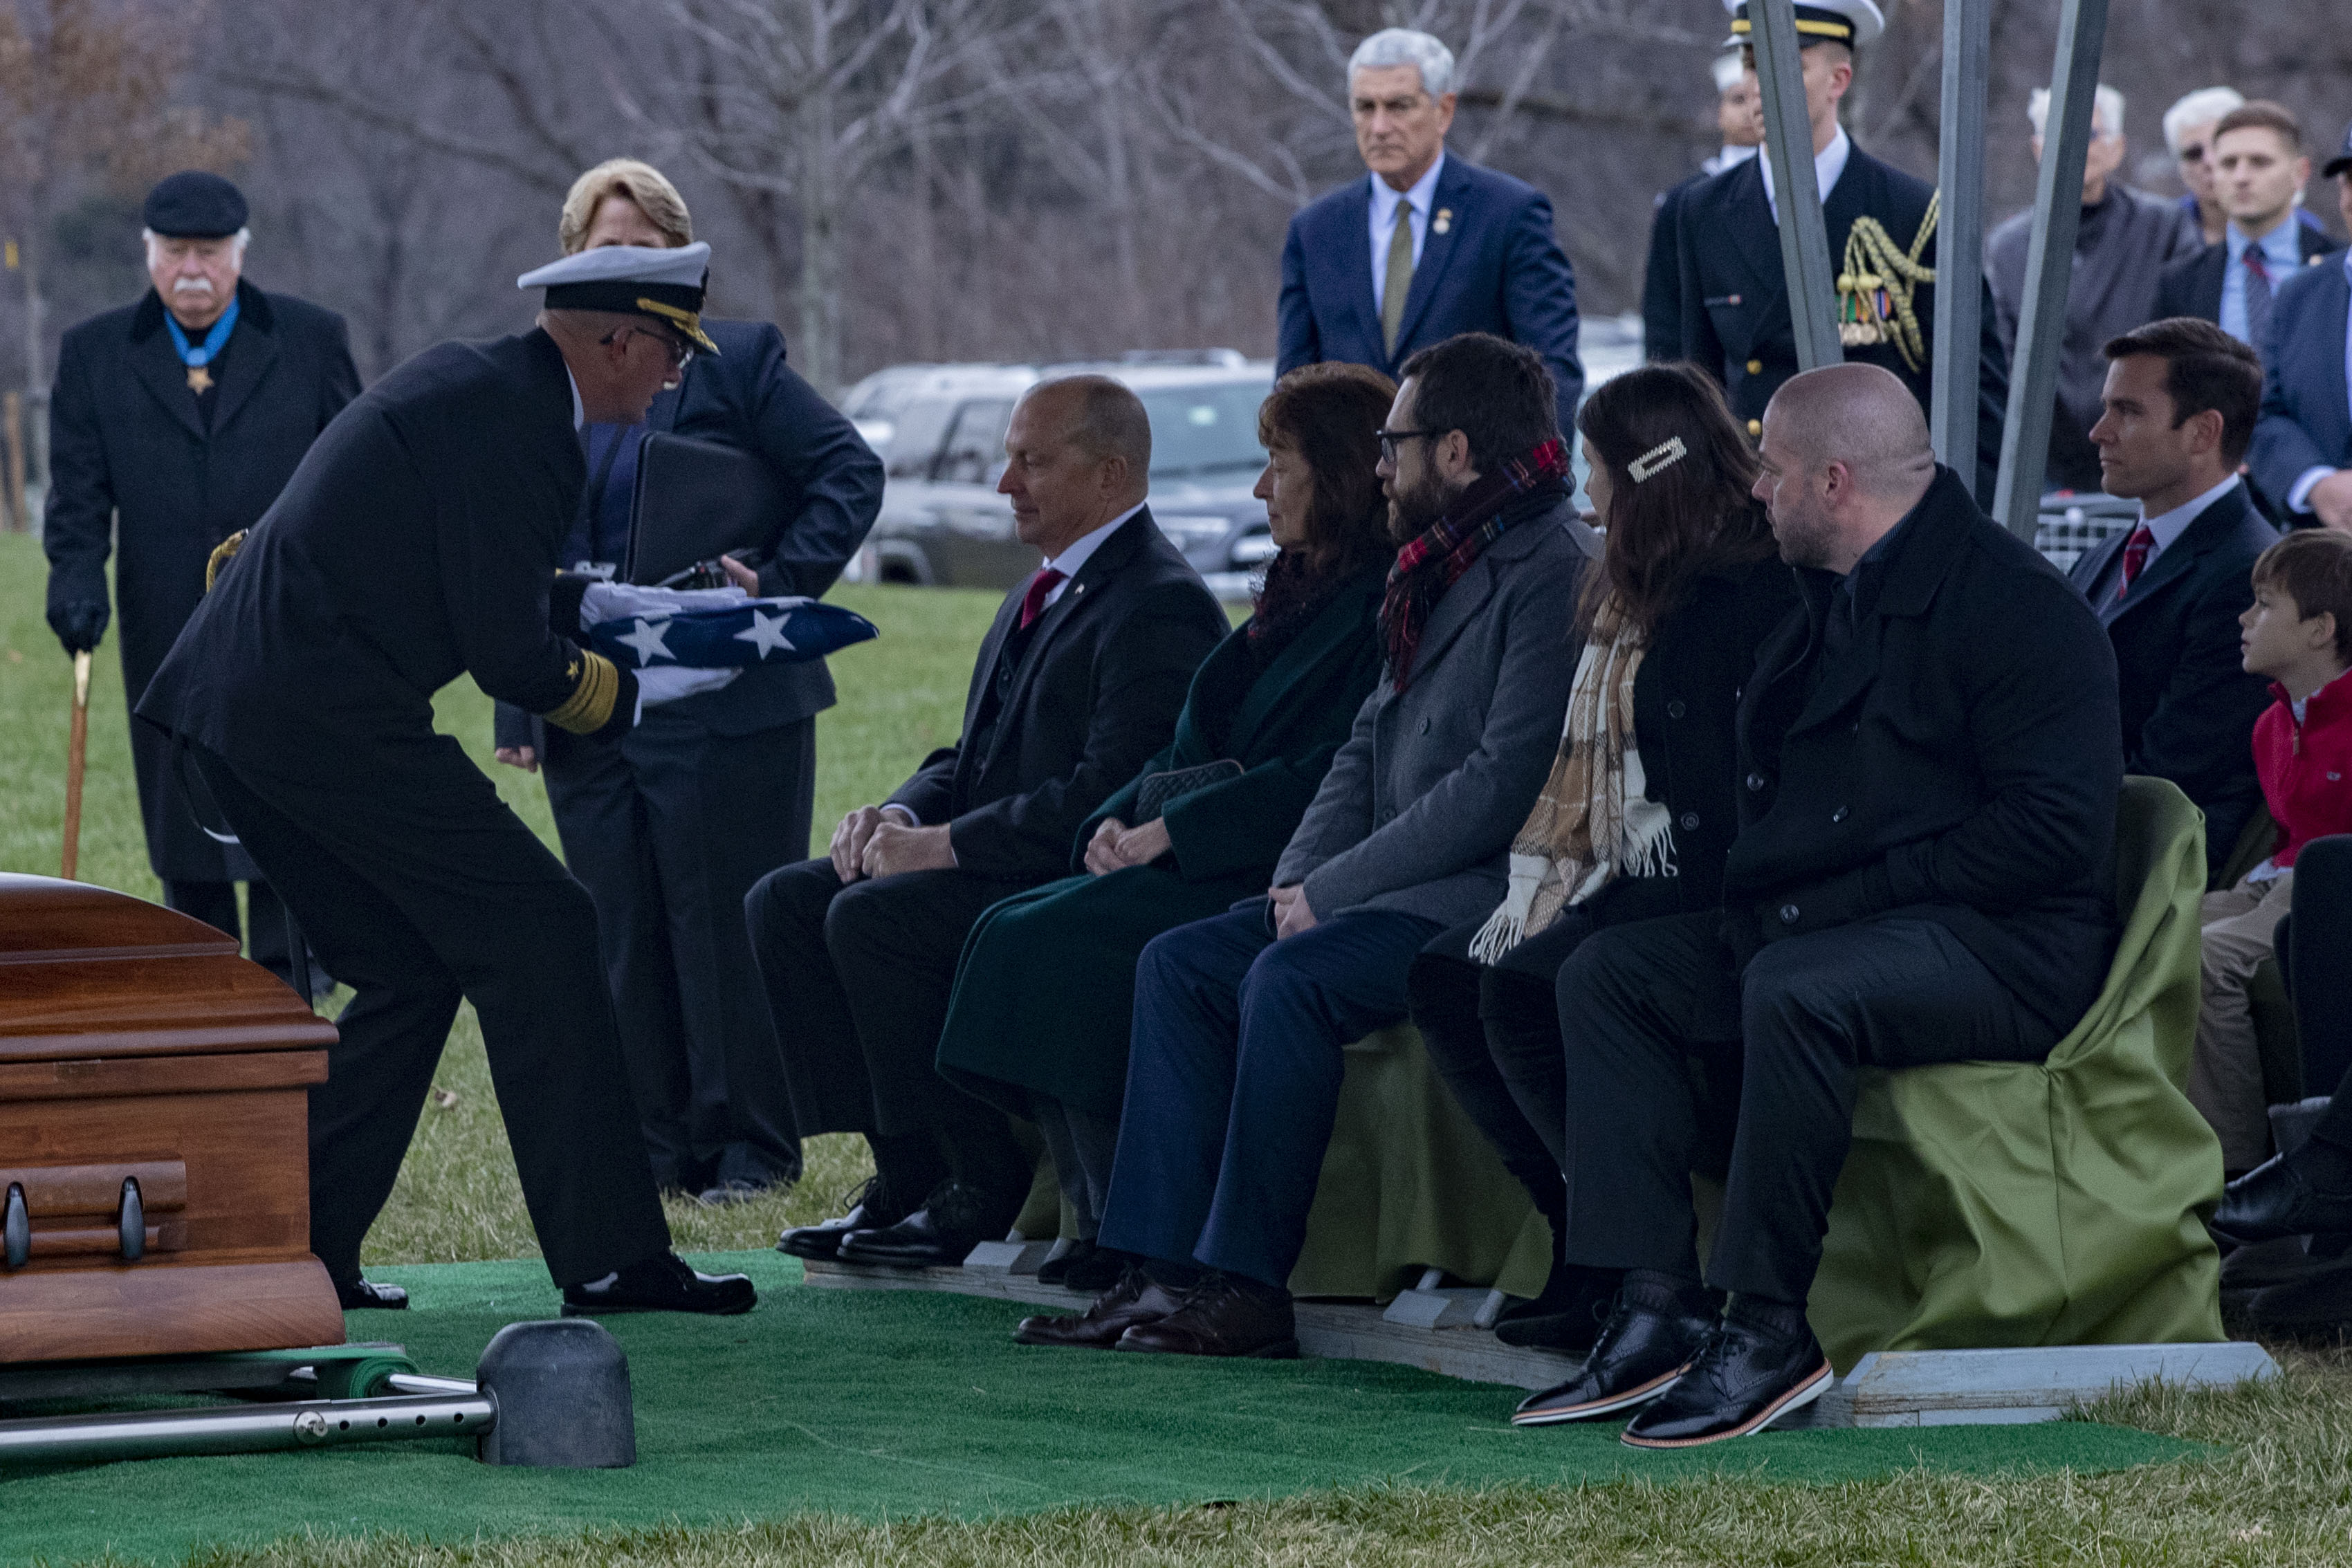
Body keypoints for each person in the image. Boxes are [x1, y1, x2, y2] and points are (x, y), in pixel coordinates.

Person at [132, 243, 757, 1316]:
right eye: (668, 354)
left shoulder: (486, 388)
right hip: (318, 721)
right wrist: (651, 691)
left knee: (411, 968)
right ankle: (614, 1258)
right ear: (619, 339)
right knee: (547, 926)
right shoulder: (519, 425)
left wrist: (655, 604)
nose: (671, 379)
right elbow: (509, 651)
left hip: (251, 713)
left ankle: (294, 1248)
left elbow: (472, 569)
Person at [1517, 363, 2120, 1447]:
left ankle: (1770, 1326)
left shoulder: (2017, 608)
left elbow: (2050, 835)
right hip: (1861, 924)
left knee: (1795, 987)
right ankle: (1656, 1301)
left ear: (1835, 482)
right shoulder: (1820, 599)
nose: (1756, 492)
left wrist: (1839, 899)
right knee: (1610, 974)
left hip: (2011, 949)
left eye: (1776, 473)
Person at [1015, 332, 1597, 1359]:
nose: (1383, 465)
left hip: (1485, 890)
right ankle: (1156, 1269)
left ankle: (1243, 1283)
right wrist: (1296, 876)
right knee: (1183, 961)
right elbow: (1368, 741)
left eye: (1398, 443)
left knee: (1290, 977)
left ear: (1455, 450)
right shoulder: (1440, 560)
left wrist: (1332, 887)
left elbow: (1499, 785)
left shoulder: (1546, 564)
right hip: (1379, 880)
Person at [930, 363, 1395, 1295]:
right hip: (1195, 844)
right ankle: (1093, 1212)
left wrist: (1174, 829)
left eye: (1279, 465)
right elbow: (1191, 731)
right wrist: (1118, 820)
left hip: (1271, 860)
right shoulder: (1295, 589)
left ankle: (1124, 1234)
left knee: (1050, 938)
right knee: (1015, 924)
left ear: (1337, 474)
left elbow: (1336, 771)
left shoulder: (1380, 601)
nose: (1262, 488)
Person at [751, 376, 1227, 1269]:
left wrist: (937, 847)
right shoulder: (1038, 589)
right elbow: (971, 758)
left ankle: (978, 1179)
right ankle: (905, 1170)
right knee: (784, 901)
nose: (1006, 483)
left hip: (1062, 875)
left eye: (1031, 461)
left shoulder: (1159, 600)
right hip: (992, 855)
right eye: (1009, 459)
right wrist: (897, 810)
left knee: (872, 919)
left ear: (1111, 473)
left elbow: (1106, 794)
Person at [490, 159, 883, 1204]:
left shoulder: (737, 360)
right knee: (618, 925)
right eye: (604, 254)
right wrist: (515, 693)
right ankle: (655, 1148)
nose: (627, 276)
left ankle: (752, 1145)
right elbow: (513, 541)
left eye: (648, 251)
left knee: (717, 926)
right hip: (585, 684)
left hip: (723, 691)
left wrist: (779, 590)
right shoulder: (543, 381)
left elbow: (850, 472)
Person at [1404, 362, 1796, 1355]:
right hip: (1635, 870)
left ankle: (1645, 1272)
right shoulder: (1645, 588)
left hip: (1709, 887)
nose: (1585, 496)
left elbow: (1716, 796)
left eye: (1597, 470)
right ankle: (1585, 1238)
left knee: (1537, 980)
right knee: (1456, 972)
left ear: (1648, 470)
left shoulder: (1747, 592)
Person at [42, 172, 358, 993]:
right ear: (148, 253)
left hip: (284, 609)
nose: (192, 270)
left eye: (209, 253)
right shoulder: (94, 352)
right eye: (175, 251)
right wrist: (75, 580)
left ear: (239, 255)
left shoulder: (312, 339)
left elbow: (356, 480)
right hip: (165, 615)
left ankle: (296, 963)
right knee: (181, 780)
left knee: (286, 779)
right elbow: (77, 496)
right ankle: (199, 958)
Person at [1669, 0, 2008, 504]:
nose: (1759, 85)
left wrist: (1954, 528)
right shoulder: (1703, 210)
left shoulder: (1912, 213)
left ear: (1839, 80)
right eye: (1751, 64)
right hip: (1751, 509)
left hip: (1873, 516)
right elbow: (1688, 384)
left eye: (1788, 64)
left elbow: (1975, 394)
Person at [1276, 28, 1583, 436]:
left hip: (1472, 487)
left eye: (1399, 106)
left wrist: (1528, 483)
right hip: (1352, 491)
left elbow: (1552, 372)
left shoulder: (1508, 214)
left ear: (1444, 111)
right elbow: (1294, 388)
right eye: (1365, 107)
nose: (1380, 126)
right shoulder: (1316, 231)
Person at [2072, 319, 2278, 883]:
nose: (2099, 431)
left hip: (2142, 878)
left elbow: (2171, 775)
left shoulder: (2253, 578)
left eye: (2128, 411)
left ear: (2203, 433)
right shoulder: (2108, 555)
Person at [2190, 529, 2352, 1172]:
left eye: (2264, 604)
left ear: (2319, 629)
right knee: (2151, 935)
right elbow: (2288, 836)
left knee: (2208, 959)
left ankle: (2234, 1168)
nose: (2244, 618)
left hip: (2324, 890)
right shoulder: (2272, 725)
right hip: (2280, 878)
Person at [1985, 86, 2202, 495]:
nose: (2073, 148)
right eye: (2057, 134)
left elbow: (2188, 343)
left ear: (2117, 147)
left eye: (2088, 135)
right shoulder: (2008, 247)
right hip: (2043, 459)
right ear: (2037, 148)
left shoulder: (2163, 227)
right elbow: (2002, 360)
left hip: (2148, 446)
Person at [2153, 102, 2335, 360]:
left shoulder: (2341, 266)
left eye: (2259, 162)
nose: (2241, 176)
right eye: (2228, 163)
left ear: (2300, 173)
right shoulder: (2179, 283)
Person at [2250, 120, 2352, 535]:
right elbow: (2263, 410)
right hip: (2322, 556)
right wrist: (2316, 483)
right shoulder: (2299, 295)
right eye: (2350, 181)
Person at [1643, 54, 1765, 364]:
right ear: (1719, 112)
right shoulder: (1684, 201)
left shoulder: (1801, 190)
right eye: (1738, 100)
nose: (1749, 111)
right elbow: (1664, 308)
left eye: (1757, 98)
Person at [2162, 87, 2333, 248]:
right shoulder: (2161, 232)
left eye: (2218, 148)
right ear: (2179, 167)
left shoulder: (2307, 231)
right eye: (2193, 153)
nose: (2209, 161)